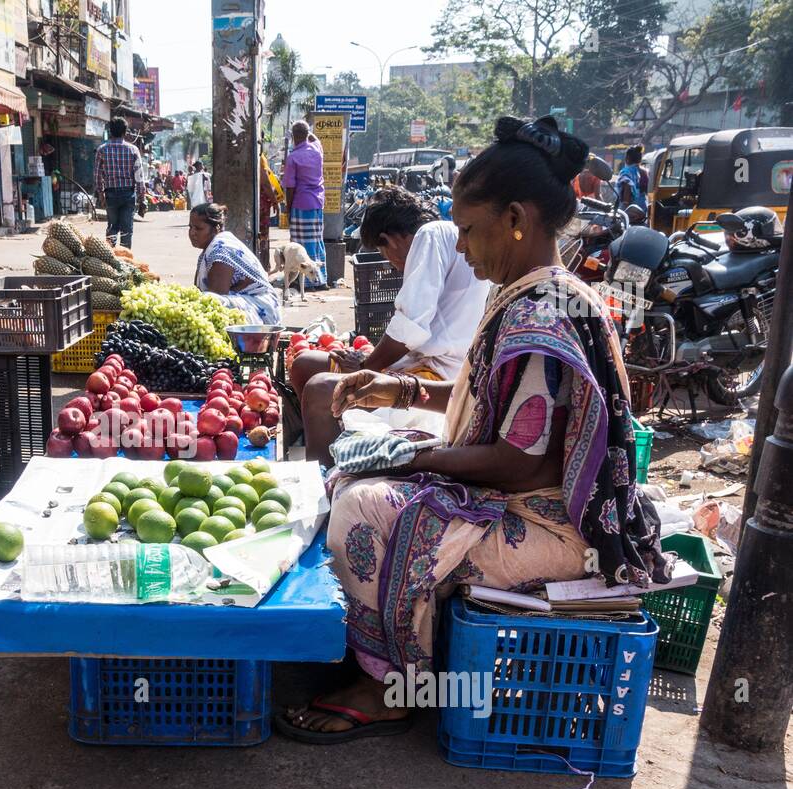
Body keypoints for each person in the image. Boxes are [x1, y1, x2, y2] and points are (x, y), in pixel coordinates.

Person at [278, 116, 671, 743]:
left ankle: (390, 687)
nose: (459, 247)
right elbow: (496, 407)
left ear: (515, 218)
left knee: (362, 505)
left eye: (466, 229)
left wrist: (416, 463)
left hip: (557, 528)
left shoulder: (540, 311)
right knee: (361, 474)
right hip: (545, 503)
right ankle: (389, 655)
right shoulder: (543, 293)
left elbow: (522, 464)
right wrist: (402, 390)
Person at [290, 187, 491, 462]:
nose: (393, 265)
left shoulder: (430, 235)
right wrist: (366, 362)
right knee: (305, 363)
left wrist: (365, 367)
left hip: (435, 378)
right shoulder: (446, 239)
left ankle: (326, 482)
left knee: (319, 389)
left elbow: (410, 327)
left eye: (384, 254)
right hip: (414, 366)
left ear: (389, 240)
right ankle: (330, 439)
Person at [189, 202, 281, 325]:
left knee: (212, 302)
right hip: (250, 303)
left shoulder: (221, 251)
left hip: (262, 311)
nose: (192, 233)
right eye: (190, 227)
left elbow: (213, 302)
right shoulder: (210, 248)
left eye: (198, 228)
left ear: (216, 229)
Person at [281, 121, 327, 288]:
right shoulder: (317, 149)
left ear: (293, 136)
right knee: (316, 240)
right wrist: (309, 134)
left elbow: (290, 187)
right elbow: (315, 139)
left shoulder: (293, 157)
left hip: (301, 203)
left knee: (300, 244)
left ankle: (306, 282)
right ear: (307, 135)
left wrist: (288, 208)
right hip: (318, 202)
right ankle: (321, 279)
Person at [94, 117, 142, 248]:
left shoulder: (102, 149)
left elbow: (97, 175)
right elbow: (139, 175)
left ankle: (110, 257)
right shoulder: (133, 150)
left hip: (111, 194)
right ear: (125, 132)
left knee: (112, 227)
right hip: (128, 194)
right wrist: (142, 196)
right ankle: (125, 260)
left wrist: (101, 194)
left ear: (110, 132)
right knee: (127, 231)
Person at [617, 145, 647, 211]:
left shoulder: (626, 171)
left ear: (627, 158)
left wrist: (625, 205)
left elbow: (627, 184)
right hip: (643, 209)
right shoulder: (645, 172)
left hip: (630, 211)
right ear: (640, 159)